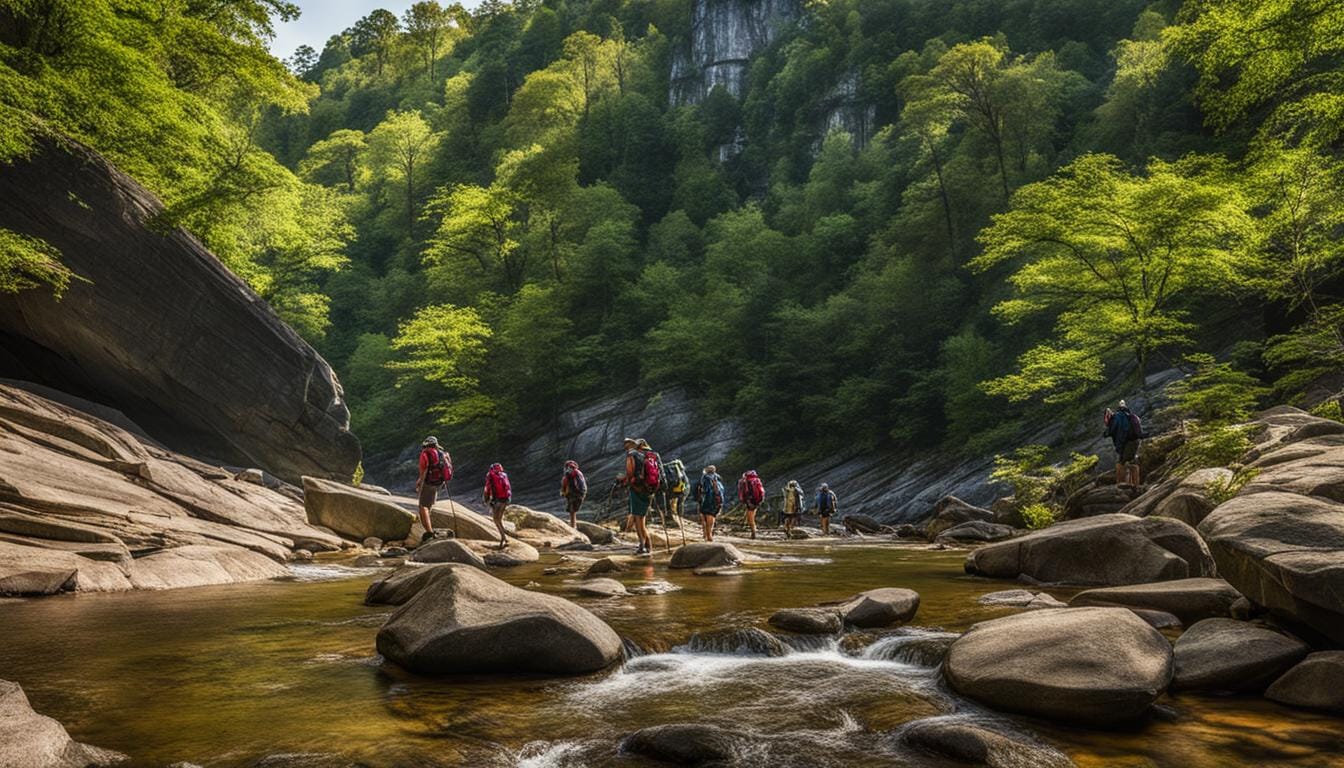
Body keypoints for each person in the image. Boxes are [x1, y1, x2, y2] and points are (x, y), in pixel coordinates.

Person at [414, 436, 453, 544]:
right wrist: (444, 482)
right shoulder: (443, 454)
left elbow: (423, 471)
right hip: (439, 482)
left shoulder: (426, 454)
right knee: (429, 505)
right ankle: (429, 527)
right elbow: (447, 469)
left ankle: (429, 532)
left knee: (423, 506)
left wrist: (419, 485)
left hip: (429, 483)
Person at [619, 437, 654, 555]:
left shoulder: (631, 455)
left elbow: (630, 472)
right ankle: (648, 545)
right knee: (642, 517)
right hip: (649, 489)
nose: (624, 446)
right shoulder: (649, 455)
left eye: (626, 444)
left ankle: (642, 545)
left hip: (637, 489)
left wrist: (623, 480)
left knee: (638, 518)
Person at [1104, 399, 1144, 486]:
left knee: (1121, 463)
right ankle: (1135, 485)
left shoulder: (1117, 417)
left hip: (1127, 443)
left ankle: (1122, 486)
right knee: (1132, 461)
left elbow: (1112, 431)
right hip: (1136, 441)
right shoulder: (1132, 416)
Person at [482, 462, 512, 548]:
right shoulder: (504, 475)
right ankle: (504, 537)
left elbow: (487, 488)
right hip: (506, 499)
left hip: (497, 501)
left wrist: (486, 500)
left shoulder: (490, 475)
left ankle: (503, 537)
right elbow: (508, 488)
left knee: (496, 519)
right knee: (500, 519)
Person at [694, 465, 725, 541]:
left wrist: (697, 499)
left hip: (705, 501)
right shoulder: (717, 478)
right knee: (712, 517)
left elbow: (696, 490)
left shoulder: (703, 478)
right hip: (716, 502)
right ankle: (709, 535)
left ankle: (706, 535)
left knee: (704, 519)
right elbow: (722, 491)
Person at [737, 469, 765, 540]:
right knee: (751, 516)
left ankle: (753, 532)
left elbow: (744, 492)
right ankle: (753, 531)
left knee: (750, 518)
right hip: (756, 501)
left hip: (749, 501)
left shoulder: (746, 481)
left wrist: (744, 500)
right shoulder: (756, 480)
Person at [560, 459, 587, 529]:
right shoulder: (578, 472)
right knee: (572, 510)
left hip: (575, 493)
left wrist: (563, 492)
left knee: (572, 510)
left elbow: (565, 483)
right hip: (580, 492)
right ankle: (573, 525)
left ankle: (573, 526)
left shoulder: (571, 473)